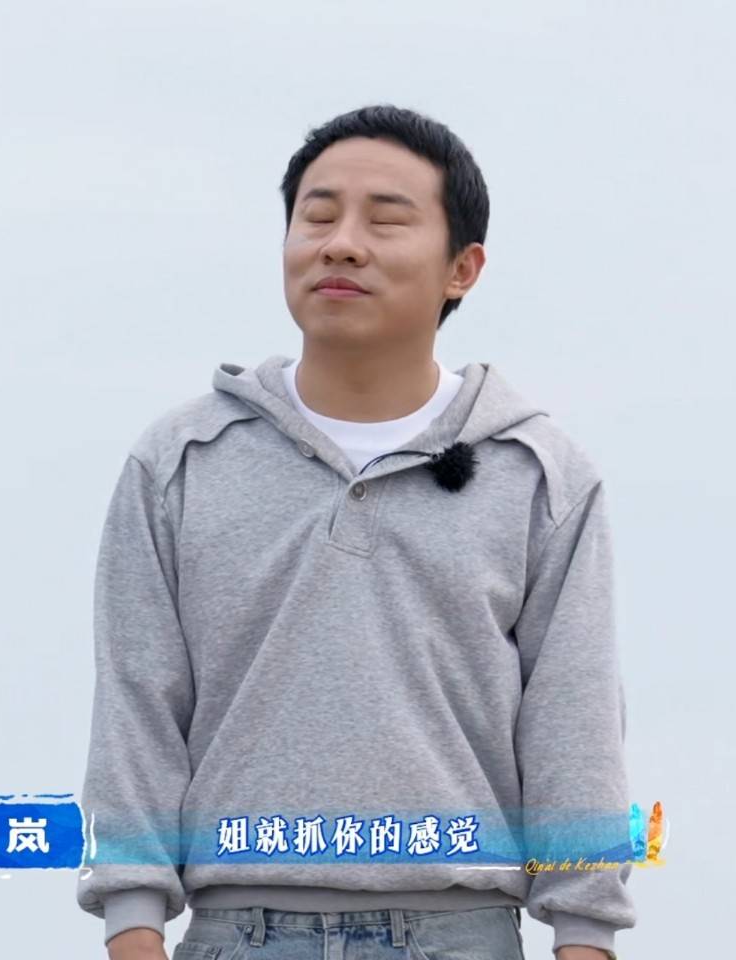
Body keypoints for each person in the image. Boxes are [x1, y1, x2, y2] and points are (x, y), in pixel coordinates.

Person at [76, 104, 636, 960]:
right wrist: (133, 927)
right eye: (318, 215)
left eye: (385, 220)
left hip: (462, 933)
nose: (340, 244)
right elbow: (137, 708)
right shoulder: (181, 460)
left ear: (463, 268)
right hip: (237, 931)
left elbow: (574, 726)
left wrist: (585, 933)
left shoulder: (539, 474)